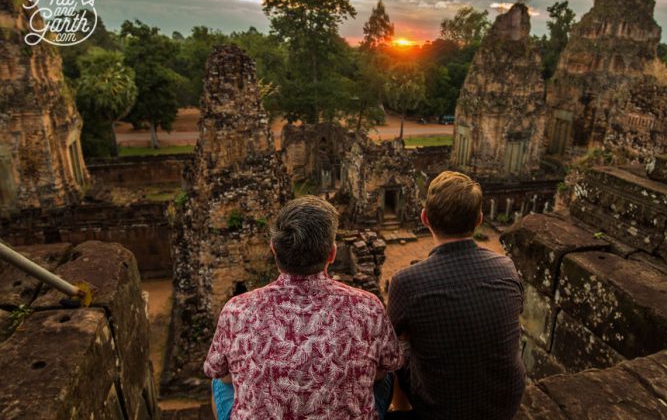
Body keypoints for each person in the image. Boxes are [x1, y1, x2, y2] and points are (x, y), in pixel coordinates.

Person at [204, 196, 403, 420]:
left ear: (273, 250)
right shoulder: (368, 306)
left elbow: (218, 371)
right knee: (384, 376)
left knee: (220, 382)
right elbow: (389, 363)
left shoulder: (237, 310)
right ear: (332, 254)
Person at [387, 171, 526, 420]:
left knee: (399, 345)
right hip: (505, 402)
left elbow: (387, 344)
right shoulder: (506, 266)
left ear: (424, 218)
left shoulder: (406, 281)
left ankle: (400, 410)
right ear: (479, 219)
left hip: (440, 409)